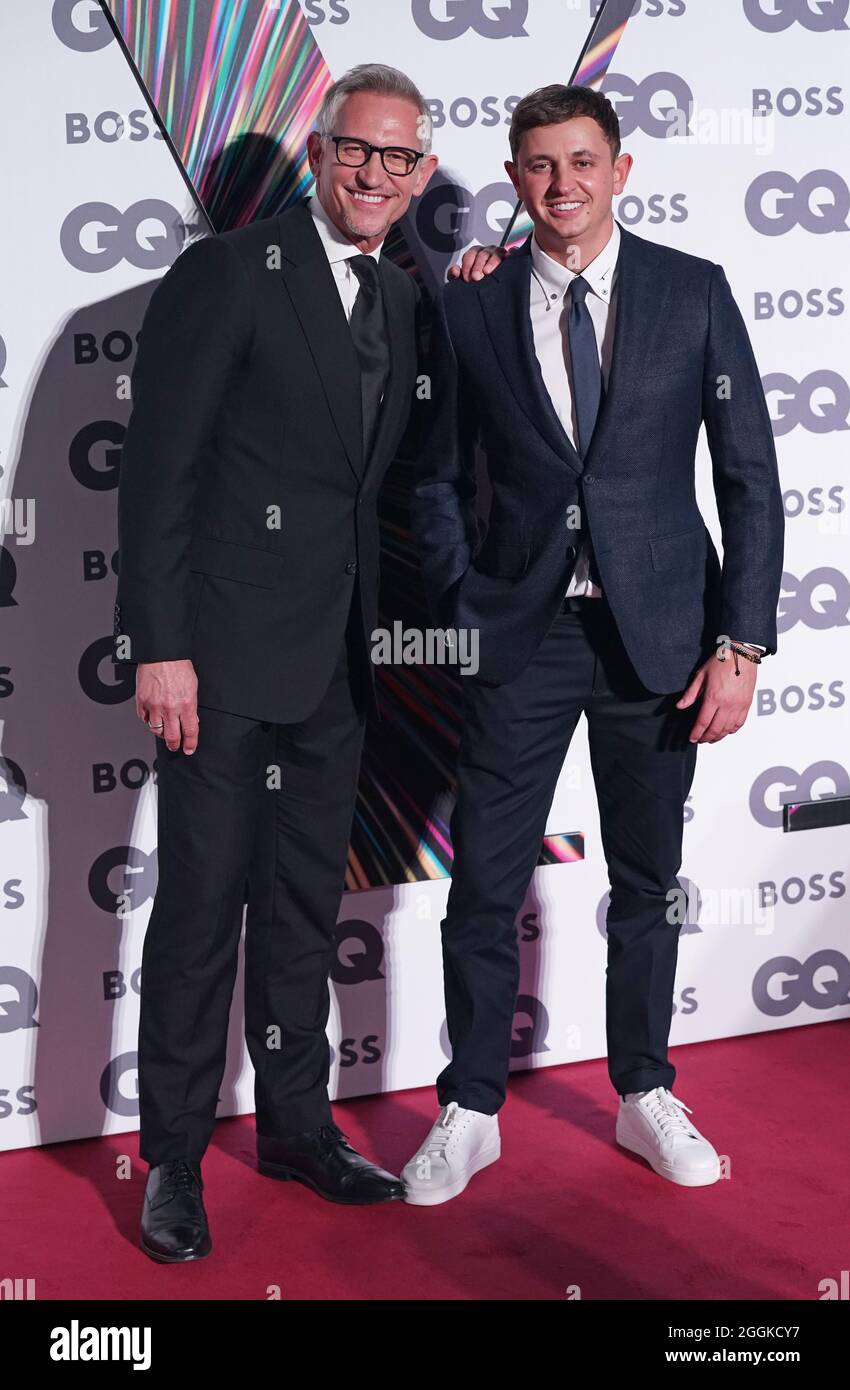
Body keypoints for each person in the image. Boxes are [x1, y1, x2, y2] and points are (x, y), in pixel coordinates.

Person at [404, 83, 783, 1205]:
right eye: (536, 165)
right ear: (515, 182)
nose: (560, 184)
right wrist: (461, 595)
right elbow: (430, 475)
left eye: (580, 161)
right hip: (520, 631)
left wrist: (743, 642)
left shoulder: (692, 291)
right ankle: (469, 1104)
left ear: (620, 169)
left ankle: (641, 1090)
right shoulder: (470, 304)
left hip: (658, 634)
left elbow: (748, 481)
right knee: (482, 879)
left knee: (647, 881)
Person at [114, 64, 438, 1261]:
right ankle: (172, 1162)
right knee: (200, 913)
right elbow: (159, 473)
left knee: (303, 908)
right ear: (319, 151)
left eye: (400, 159)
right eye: (359, 151)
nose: (375, 175)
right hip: (220, 663)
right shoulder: (226, 273)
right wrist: (164, 646)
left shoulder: (404, 302)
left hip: (340, 668)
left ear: (419, 175)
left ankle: (299, 1125)